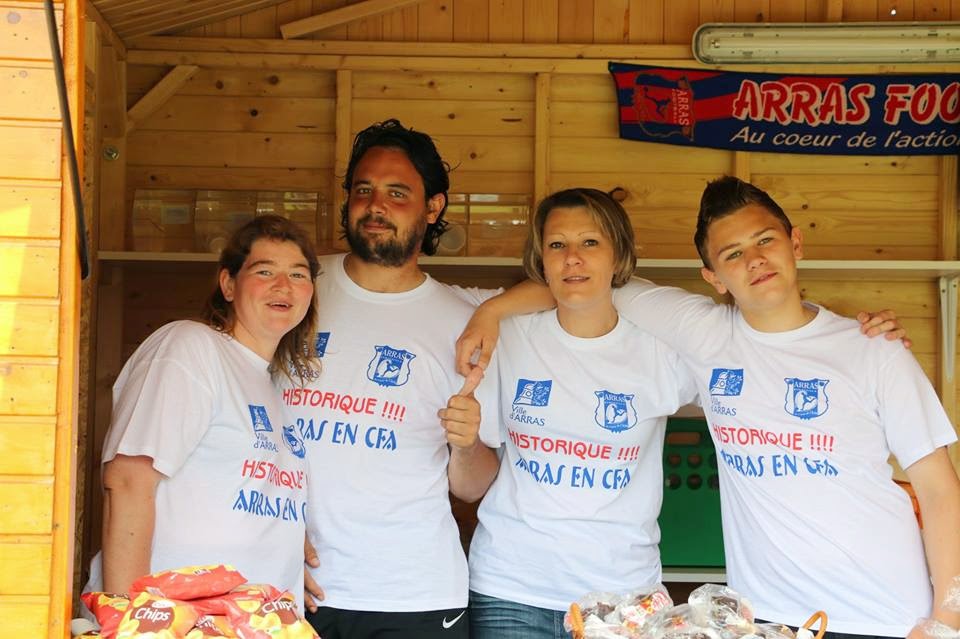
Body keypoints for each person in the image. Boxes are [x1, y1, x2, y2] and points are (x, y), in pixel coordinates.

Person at [462, 177, 960, 638]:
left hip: (888, 616)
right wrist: (492, 310)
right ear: (713, 276)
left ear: (796, 244)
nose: (755, 260)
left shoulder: (874, 348)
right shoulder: (702, 336)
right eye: (733, 253)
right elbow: (579, 282)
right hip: (766, 619)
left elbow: (940, 490)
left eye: (766, 241)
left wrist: (947, 619)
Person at [285, 119, 503, 639]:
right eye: (363, 189)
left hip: (413, 593)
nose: (374, 205)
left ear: (434, 208)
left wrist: (467, 444)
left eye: (397, 192)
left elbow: (474, 487)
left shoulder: (463, 321)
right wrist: (263, 536)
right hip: (286, 583)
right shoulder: (294, 289)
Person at [466, 188, 698, 639]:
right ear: (542, 259)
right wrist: (490, 310)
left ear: (619, 254)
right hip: (511, 587)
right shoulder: (510, 336)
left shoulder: (662, 347)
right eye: (557, 245)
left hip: (623, 595)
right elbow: (478, 468)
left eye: (590, 242)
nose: (572, 257)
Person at [91, 214, 320, 609]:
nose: (284, 286)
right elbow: (127, 481)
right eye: (265, 271)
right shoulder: (189, 347)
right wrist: (127, 620)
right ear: (228, 284)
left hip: (254, 624)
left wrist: (281, 552)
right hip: (177, 623)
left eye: (298, 275)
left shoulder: (269, 384)